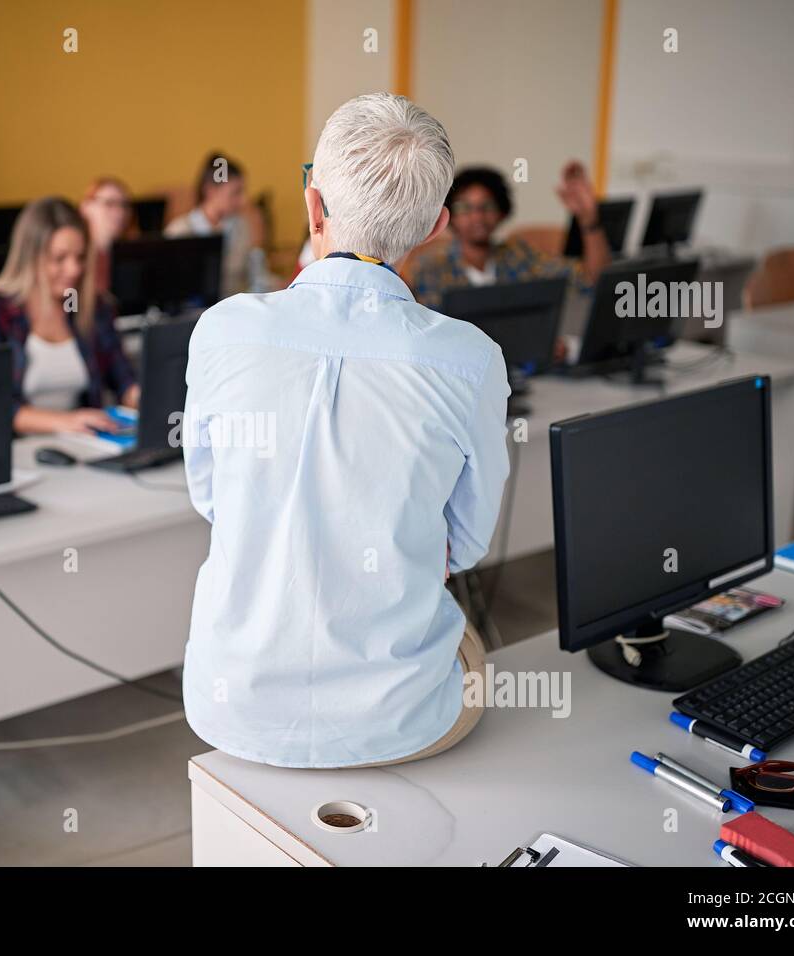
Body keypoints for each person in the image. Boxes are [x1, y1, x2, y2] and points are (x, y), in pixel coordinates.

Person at [182, 93, 510, 769]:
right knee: (467, 645)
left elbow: (212, 501)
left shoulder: (222, 330)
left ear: (312, 205)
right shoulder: (471, 357)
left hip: (231, 707)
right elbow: (468, 544)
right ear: (436, 227)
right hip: (399, 722)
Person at [0, 197, 139, 435]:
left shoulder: (93, 306)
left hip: (84, 446)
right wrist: (66, 421)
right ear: (31, 258)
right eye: (60, 258)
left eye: (81, 257)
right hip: (16, 451)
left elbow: (123, 379)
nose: (74, 269)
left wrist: (144, 398)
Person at [409, 163, 611, 305]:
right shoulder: (430, 269)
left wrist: (588, 220)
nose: (477, 216)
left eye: (487, 206)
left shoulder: (519, 256)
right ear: (449, 215)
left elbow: (591, 279)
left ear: (502, 212)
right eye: (465, 208)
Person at [164, 152, 268, 296]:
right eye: (236, 193)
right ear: (210, 190)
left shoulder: (241, 227)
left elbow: (256, 277)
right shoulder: (179, 231)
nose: (243, 200)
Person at [79, 176, 133, 294]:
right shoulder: (76, 256)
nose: (120, 212)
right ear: (86, 207)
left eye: (124, 205)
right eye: (109, 203)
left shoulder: (132, 256)